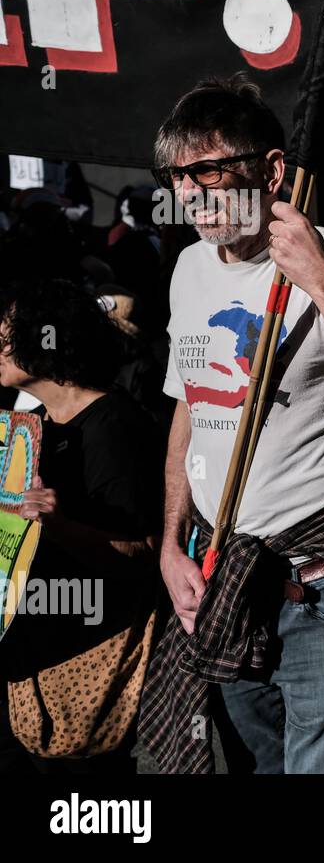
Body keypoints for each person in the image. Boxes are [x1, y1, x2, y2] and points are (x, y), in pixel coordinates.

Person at [137, 74, 324, 774]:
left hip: (322, 590)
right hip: (223, 579)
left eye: (207, 169)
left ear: (271, 170)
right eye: (177, 176)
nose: (190, 193)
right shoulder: (187, 269)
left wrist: (322, 281)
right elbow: (191, 405)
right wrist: (171, 543)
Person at [0, 279, 162, 774]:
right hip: (37, 650)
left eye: (9, 338)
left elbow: (142, 553)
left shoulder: (113, 425)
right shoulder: (36, 423)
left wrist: (60, 526)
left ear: (50, 340)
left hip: (90, 654)